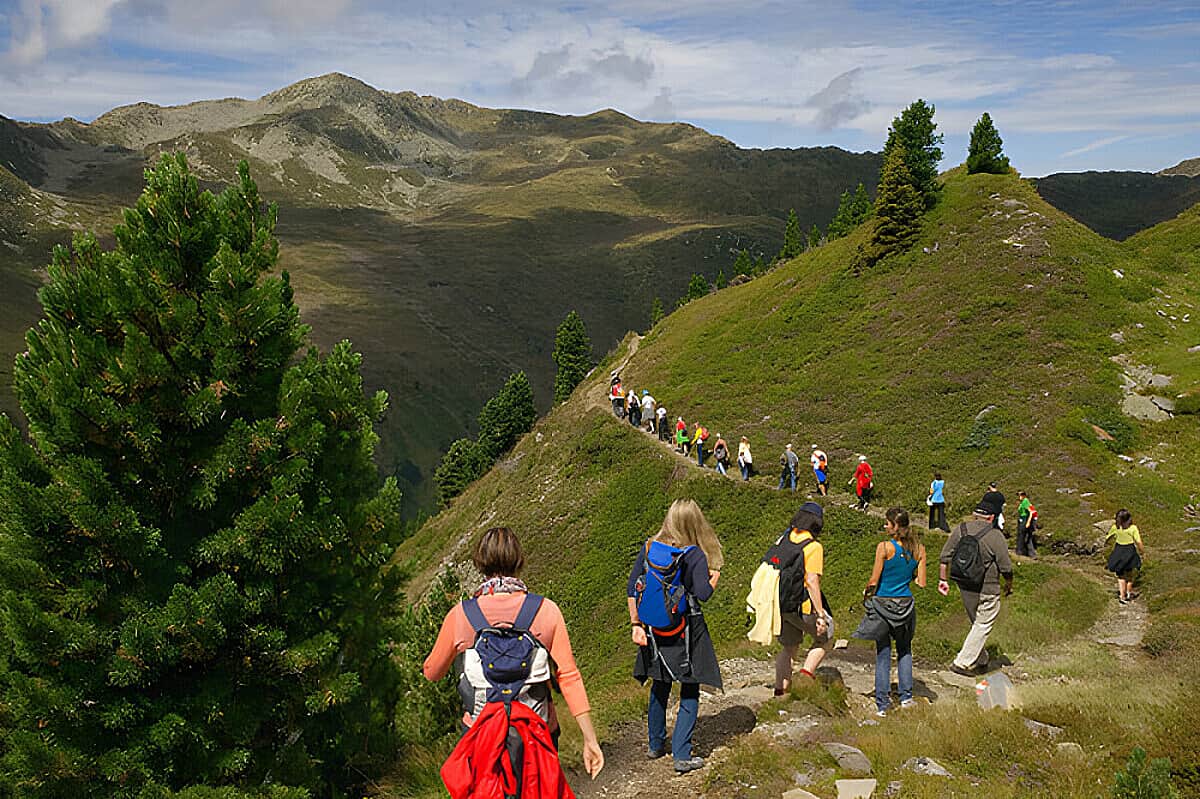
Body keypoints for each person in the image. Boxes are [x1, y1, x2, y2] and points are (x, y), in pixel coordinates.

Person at [424, 527, 604, 780]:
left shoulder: (460, 615)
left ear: (480, 563)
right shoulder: (546, 611)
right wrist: (590, 738)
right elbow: (569, 675)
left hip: (480, 733)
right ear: (519, 561)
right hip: (538, 733)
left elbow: (432, 673)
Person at [627, 499, 723, 774]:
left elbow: (632, 587)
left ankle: (655, 744)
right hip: (685, 629)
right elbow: (703, 593)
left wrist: (636, 624)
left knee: (660, 683)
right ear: (695, 523)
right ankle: (682, 754)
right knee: (690, 686)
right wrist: (713, 578)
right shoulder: (692, 554)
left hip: (655, 631)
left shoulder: (649, 547)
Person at [938, 498, 1014, 676]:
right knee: (983, 623)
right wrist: (1008, 585)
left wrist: (943, 580)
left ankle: (980, 659)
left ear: (975, 515)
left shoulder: (961, 529)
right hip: (987, 587)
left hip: (964, 585)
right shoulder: (995, 535)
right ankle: (962, 662)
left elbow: (944, 556)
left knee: (976, 622)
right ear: (992, 517)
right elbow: (1006, 567)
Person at [863, 508, 927, 716]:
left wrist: (866, 592)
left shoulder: (883, 548)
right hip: (906, 604)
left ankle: (882, 703)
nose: (885, 526)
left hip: (883, 603)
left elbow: (874, 580)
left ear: (896, 526)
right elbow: (922, 582)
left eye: (888, 523)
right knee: (905, 650)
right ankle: (906, 696)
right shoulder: (919, 550)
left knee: (883, 652)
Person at [774, 502, 832, 694]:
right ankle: (806, 675)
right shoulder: (813, 546)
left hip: (782, 604)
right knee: (826, 637)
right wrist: (821, 615)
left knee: (789, 647)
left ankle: (780, 692)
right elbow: (812, 580)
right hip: (803, 606)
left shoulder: (784, 538)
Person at [1105, 508, 1144, 604]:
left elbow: (1107, 537)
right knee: (1130, 573)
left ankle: (1122, 596)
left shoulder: (1115, 527)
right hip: (1129, 551)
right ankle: (1128, 592)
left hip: (1119, 551)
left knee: (1120, 575)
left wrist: (1106, 544)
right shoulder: (1133, 528)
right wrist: (1142, 551)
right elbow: (1138, 541)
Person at [1015, 490, 1037, 557]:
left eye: (1020, 495)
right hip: (1022, 519)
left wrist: (1028, 522)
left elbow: (1031, 512)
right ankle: (1022, 551)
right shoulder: (1022, 502)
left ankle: (1023, 552)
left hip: (1025, 519)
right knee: (1022, 535)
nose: (1019, 497)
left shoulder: (1025, 502)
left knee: (1023, 535)